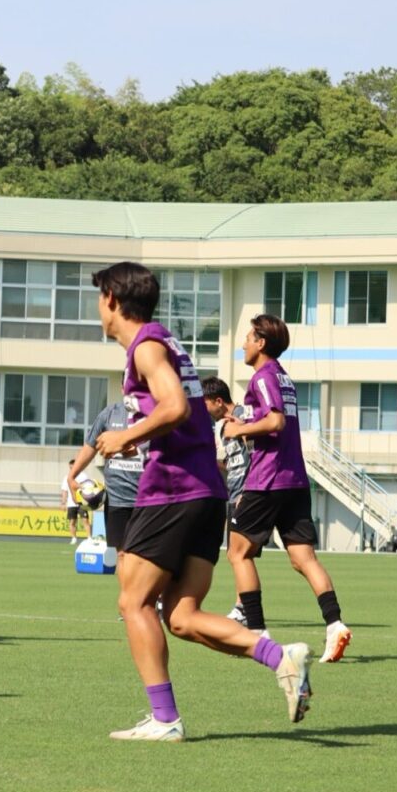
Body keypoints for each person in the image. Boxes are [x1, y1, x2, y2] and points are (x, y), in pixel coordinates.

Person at [91, 262, 310, 742]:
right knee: (182, 616)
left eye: (98, 298)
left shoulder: (146, 347)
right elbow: (181, 417)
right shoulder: (164, 342)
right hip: (205, 492)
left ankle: (165, 719)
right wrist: (140, 441)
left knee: (133, 602)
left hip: (173, 491)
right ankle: (280, 656)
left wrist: (127, 433)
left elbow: (171, 407)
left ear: (111, 298)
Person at [220, 315, 353, 663]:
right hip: (295, 479)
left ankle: (257, 632)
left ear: (261, 343)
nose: (244, 343)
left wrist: (239, 431)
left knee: (238, 553)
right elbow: (271, 414)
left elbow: (275, 420)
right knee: (303, 558)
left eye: (248, 337)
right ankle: (335, 623)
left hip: (268, 480)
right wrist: (245, 420)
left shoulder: (263, 376)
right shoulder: (282, 376)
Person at [201, 377, 254, 623]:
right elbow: (231, 461)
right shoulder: (220, 425)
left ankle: (243, 607)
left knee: (238, 553)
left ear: (218, 401)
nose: (205, 411)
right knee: (238, 553)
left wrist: (249, 489)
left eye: (206, 405)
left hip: (247, 492)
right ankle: (244, 606)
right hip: (234, 492)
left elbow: (255, 451)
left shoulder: (243, 415)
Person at [65, 393, 144, 554]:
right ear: (124, 387)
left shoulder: (156, 414)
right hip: (117, 500)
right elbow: (90, 445)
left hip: (149, 500)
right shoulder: (109, 414)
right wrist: (72, 475)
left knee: (146, 558)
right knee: (121, 555)